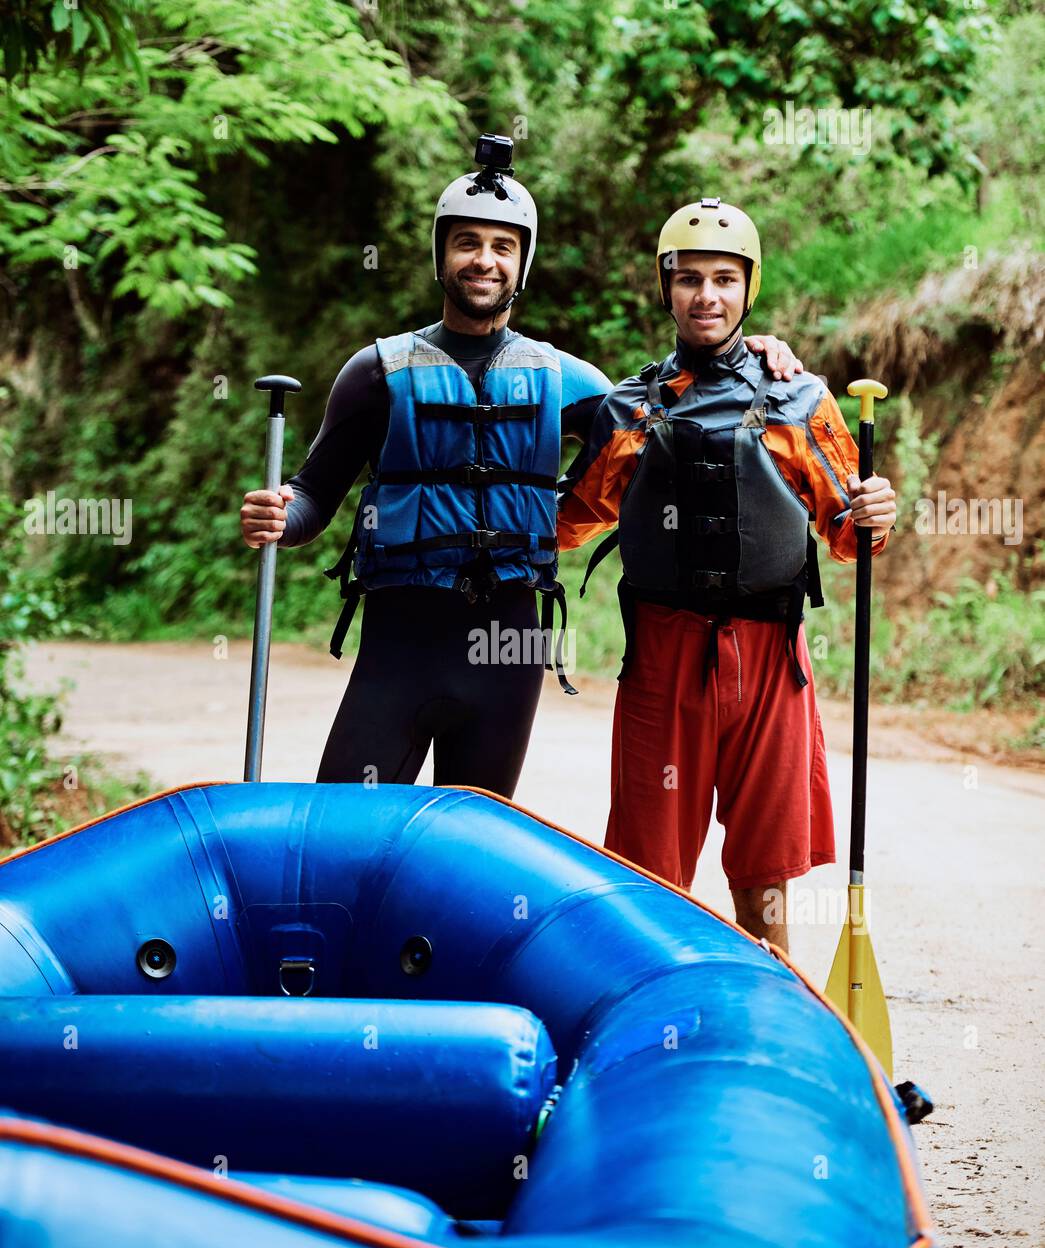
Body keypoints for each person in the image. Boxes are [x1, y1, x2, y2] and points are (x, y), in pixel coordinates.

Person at [240, 148, 804, 799]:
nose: (484, 259)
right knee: (341, 827)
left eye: (502, 246)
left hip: (509, 650)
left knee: (471, 845)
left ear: (521, 263)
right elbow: (313, 495)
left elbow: (672, 424)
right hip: (398, 644)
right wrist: (282, 515)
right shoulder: (374, 373)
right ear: (440, 255)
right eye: (467, 243)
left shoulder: (565, 379)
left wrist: (749, 354)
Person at [557, 199, 897, 949]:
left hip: (770, 657)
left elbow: (847, 537)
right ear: (664, 288)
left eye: (722, 279)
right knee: (650, 872)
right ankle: (659, 1021)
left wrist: (874, 510)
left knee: (762, 869)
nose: (705, 296)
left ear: (748, 289)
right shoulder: (628, 409)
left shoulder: (798, 400)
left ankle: (771, 1003)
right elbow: (566, 524)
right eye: (687, 280)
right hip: (663, 655)